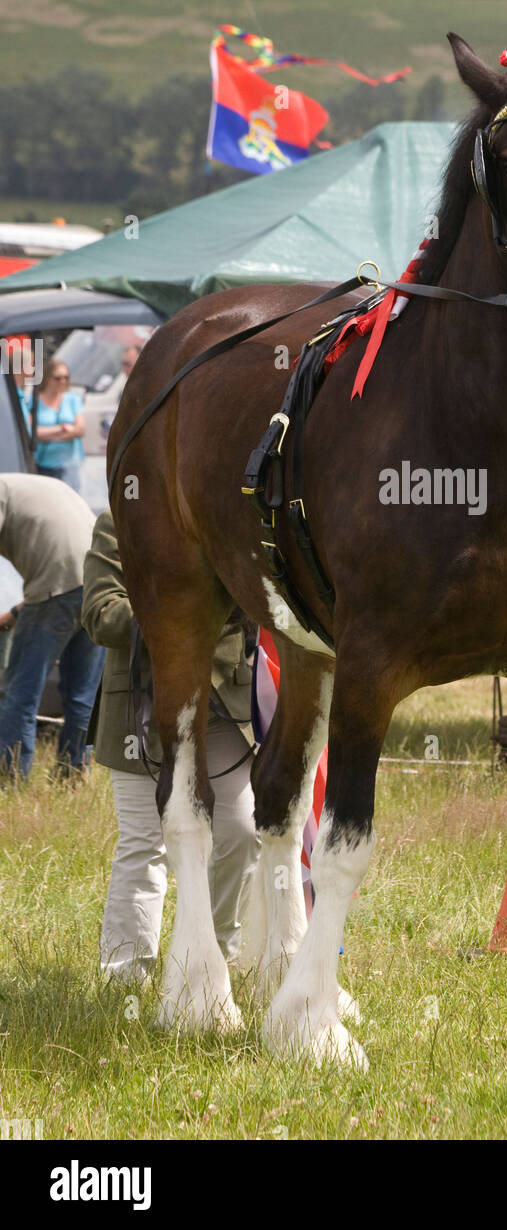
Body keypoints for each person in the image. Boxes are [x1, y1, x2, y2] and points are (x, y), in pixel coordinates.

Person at [81, 510, 260, 980]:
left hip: (223, 707)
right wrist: (184, 613)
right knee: (145, 845)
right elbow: (101, 614)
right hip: (141, 707)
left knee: (241, 831)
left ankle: (217, 958)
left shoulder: (227, 518)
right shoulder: (118, 524)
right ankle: (125, 972)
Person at [0, 473, 105, 779]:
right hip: (98, 584)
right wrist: (15, 614)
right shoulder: (28, 485)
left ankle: (10, 777)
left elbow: (58, 583)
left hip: (58, 589)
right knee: (82, 694)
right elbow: (65, 565)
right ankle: (74, 774)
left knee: (21, 690)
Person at [23, 356, 86, 491]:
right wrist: (62, 430)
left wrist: (47, 436)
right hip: (43, 464)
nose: (62, 381)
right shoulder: (33, 401)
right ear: (46, 378)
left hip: (69, 465)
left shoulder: (73, 399)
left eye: (66, 377)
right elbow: (32, 433)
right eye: (57, 378)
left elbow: (80, 430)